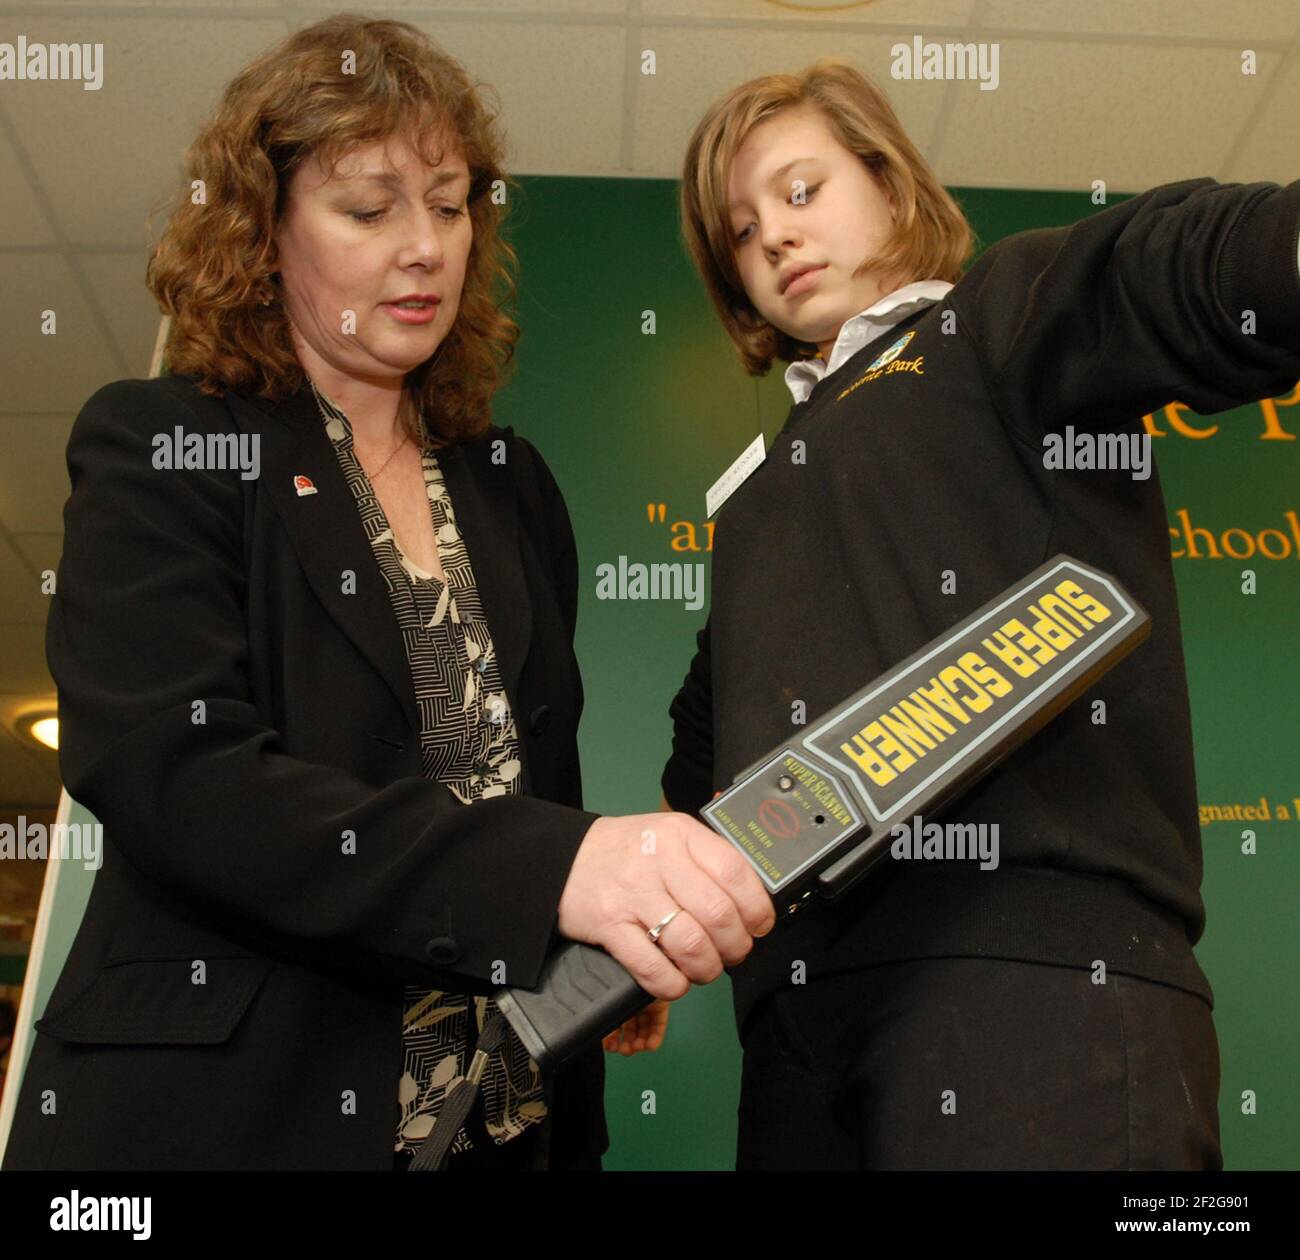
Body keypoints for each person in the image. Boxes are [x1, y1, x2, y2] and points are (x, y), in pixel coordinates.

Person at [1, 16, 771, 1174]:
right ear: (265, 232)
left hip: (499, 1120)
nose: (425, 249)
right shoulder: (166, 441)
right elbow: (179, 778)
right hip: (236, 1118)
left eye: (451, 205)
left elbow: (522, 786)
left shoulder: (512, 489)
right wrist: (553, 873)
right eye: (369, 210)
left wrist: (583, 946)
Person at [662, 58, 1300, 1170]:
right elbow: (706, 758)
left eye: (801, 190)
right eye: (741, 228)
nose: (771, 236)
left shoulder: (995, 322)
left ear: (891, 185)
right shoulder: (755, 495)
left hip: (1039, 984)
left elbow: (1164, 273)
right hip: (798, 1041)